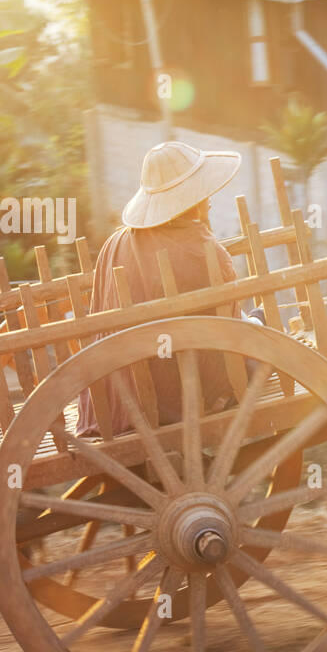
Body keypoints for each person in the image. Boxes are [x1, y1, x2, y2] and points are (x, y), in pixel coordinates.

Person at [76, 140, 243, 436]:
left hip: (115, 399)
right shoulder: (203, 251)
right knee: (259, 330)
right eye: (203, 191)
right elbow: (228, 334)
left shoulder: (112, 244)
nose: (210, 199)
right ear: (192, 199)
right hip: (177, 393)